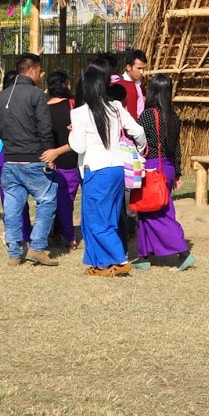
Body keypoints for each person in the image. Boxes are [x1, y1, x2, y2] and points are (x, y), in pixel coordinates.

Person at [70, 63, 144, 277]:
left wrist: (72, 133)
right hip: (117, 169)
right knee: (109, 217)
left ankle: (119, 260)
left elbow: (79, 147)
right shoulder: (116, 107)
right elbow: (138, 131)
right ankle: (100, 264)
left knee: (94, 220)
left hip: (96, 170)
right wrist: (140, 150)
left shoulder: (79, 113)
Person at [0, 54, 58, 266]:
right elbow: (45, 128)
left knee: (12, 207)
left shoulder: (2, 96)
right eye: (40, 71)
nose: (40, 76)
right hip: (34, 158)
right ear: (32, 70)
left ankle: (14, 252)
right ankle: (37, 247)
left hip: (10, 161)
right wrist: (49, 153)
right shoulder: (37, 95)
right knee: (47, 199)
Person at [133, 74, 194, 270]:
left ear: (152, 91)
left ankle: (183, 252)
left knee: (155, 213)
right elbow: (177, 148)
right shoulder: (173, 117)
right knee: (149, 210)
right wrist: (177, 173)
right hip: (167, 167)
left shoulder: (147, 115)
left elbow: (137, 139)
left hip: (152, 167)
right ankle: (144, 256)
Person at [43, 70, 80, 249]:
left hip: (49, 159)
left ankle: (56, 232)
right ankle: (69, 236)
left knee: (56, 199)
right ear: (65, 85)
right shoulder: (73, 105)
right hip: (70, 158)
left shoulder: (43, 108)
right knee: (66, 200)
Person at [112, 49, 147, 120]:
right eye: (139, 68)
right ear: (128, 67)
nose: (141, 72)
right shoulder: (118, 85)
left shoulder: (141, 85)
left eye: (143, 69)